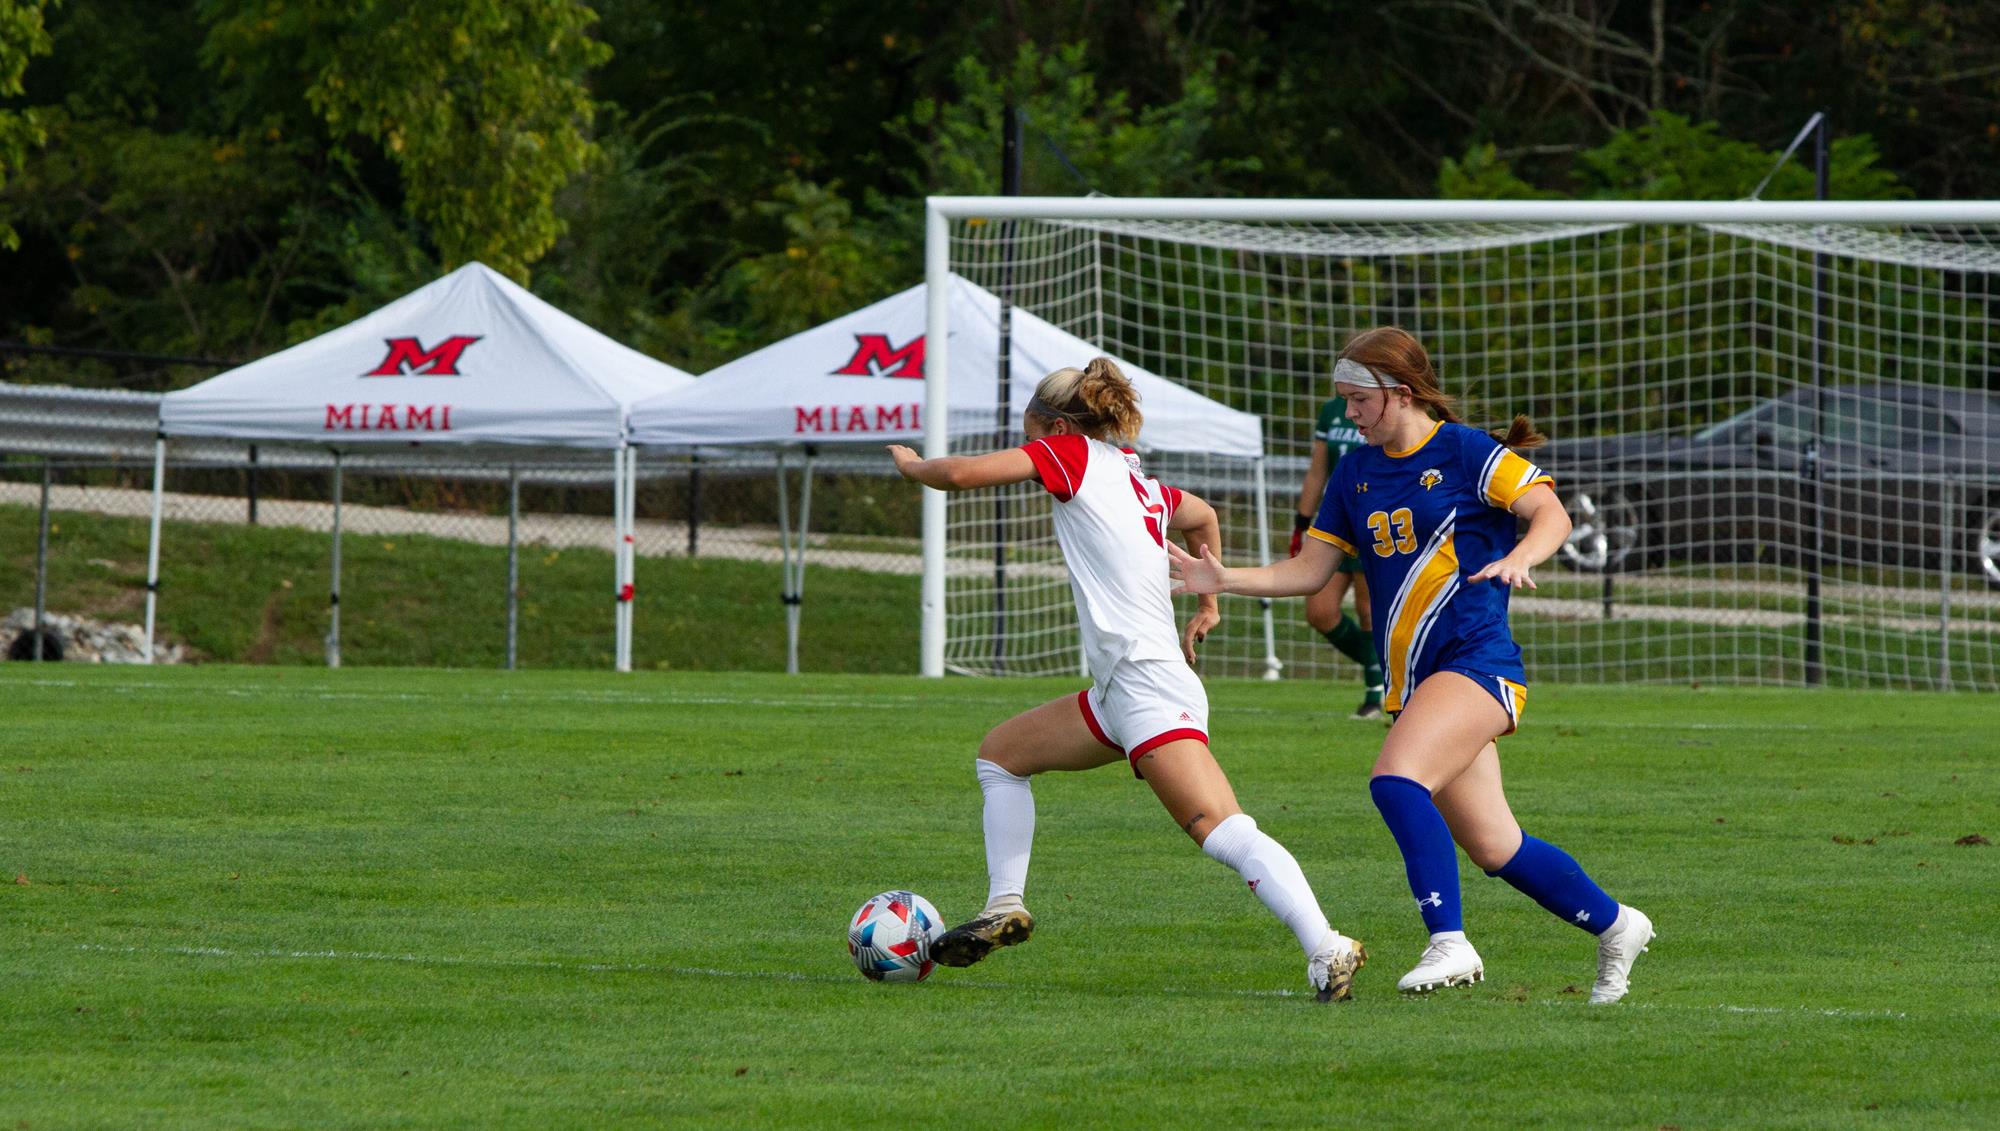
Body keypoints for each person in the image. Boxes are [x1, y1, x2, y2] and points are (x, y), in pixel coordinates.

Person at [1170, 327, 1655, 1004]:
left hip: (1478, 662)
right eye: (1341, 401)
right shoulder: (1356, 471)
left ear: (1398, 393)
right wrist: (1223, 578)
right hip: (1419, 682)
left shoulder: (1463, 450)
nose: (1348, 415)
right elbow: (1312, 570)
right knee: (1496, 846)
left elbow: (1549, 512)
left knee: (1397, 780)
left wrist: (1523, 555)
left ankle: (1449, 941)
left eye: (1357, 400)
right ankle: (1617, 923)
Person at [888, 357, 1367, 1002]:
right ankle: (1006, 905)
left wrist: (916, 467)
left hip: (1147, 683)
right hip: (1120, 689)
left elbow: (965, 473)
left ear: (1056, 426)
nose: (1031, 446)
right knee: (1001, 756)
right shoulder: (1134, 475)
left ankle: (1325, 944)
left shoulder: (1073, 455)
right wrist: (1210, 599)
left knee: (1221, 829)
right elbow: (1201, 517)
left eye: (1033, 432)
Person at [1292, 390, 1387, 719]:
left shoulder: (1381, 407)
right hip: (1337, 521)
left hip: (1373, 518)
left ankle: (1376, 694)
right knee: (1319, 610)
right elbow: (1318, 470)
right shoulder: (1333, 410)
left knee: (1368, 609)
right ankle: (1388, 669)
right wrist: (1301, 521)